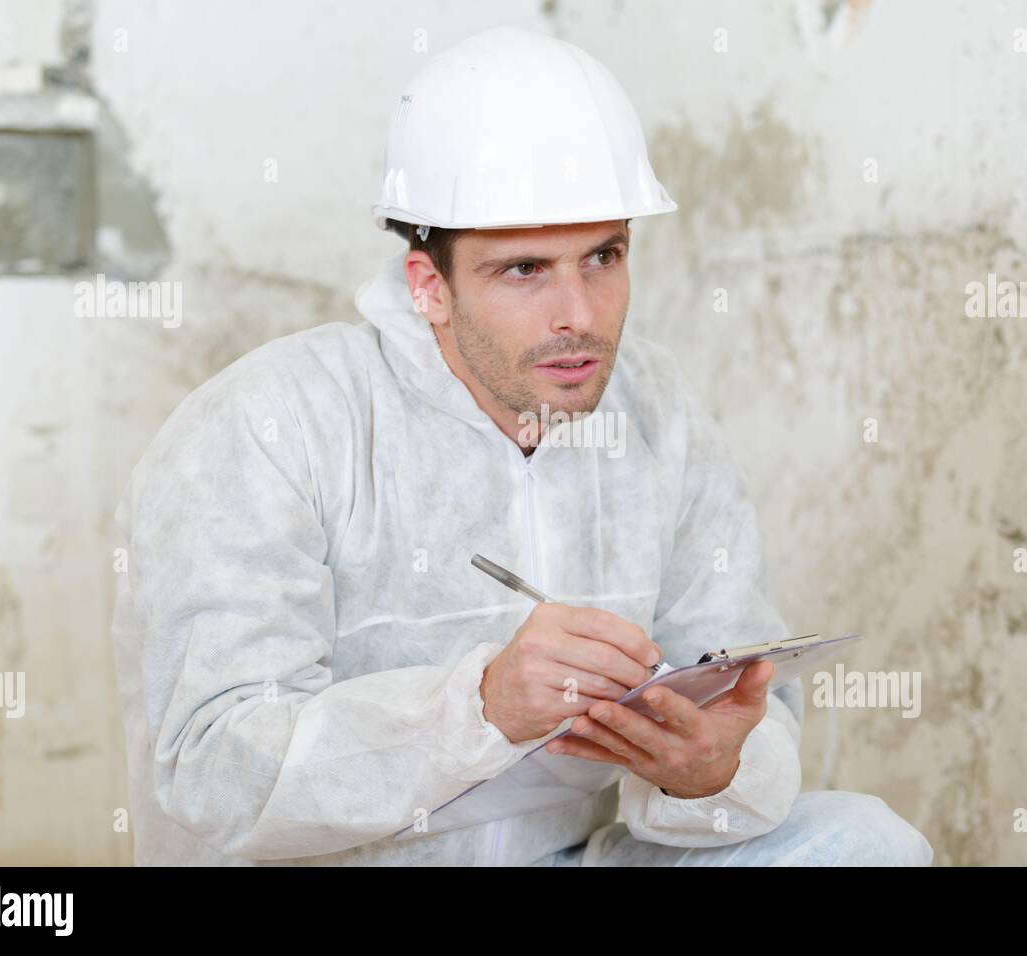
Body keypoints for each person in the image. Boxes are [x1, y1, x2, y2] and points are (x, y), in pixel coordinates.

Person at [111, 24, 933, 867]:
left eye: (604, 256)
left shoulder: (658, 416)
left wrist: (709, 770)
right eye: (525, 270)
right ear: (429, 286)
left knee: (862, 844)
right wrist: (479, 707)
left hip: (568, 858)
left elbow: (740, 694)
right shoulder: (271, 425)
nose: (577, 311)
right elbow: (205, 773)